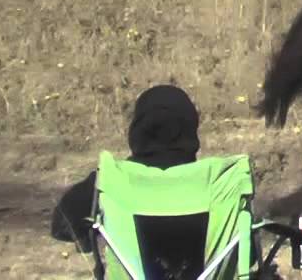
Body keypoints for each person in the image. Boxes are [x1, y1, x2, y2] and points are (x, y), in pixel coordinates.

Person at [50, 84, 201, 254]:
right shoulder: (215, 182)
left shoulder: (111, 181)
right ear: (191, 129)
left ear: (137, 130)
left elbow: (61, 226)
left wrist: (91, 236)